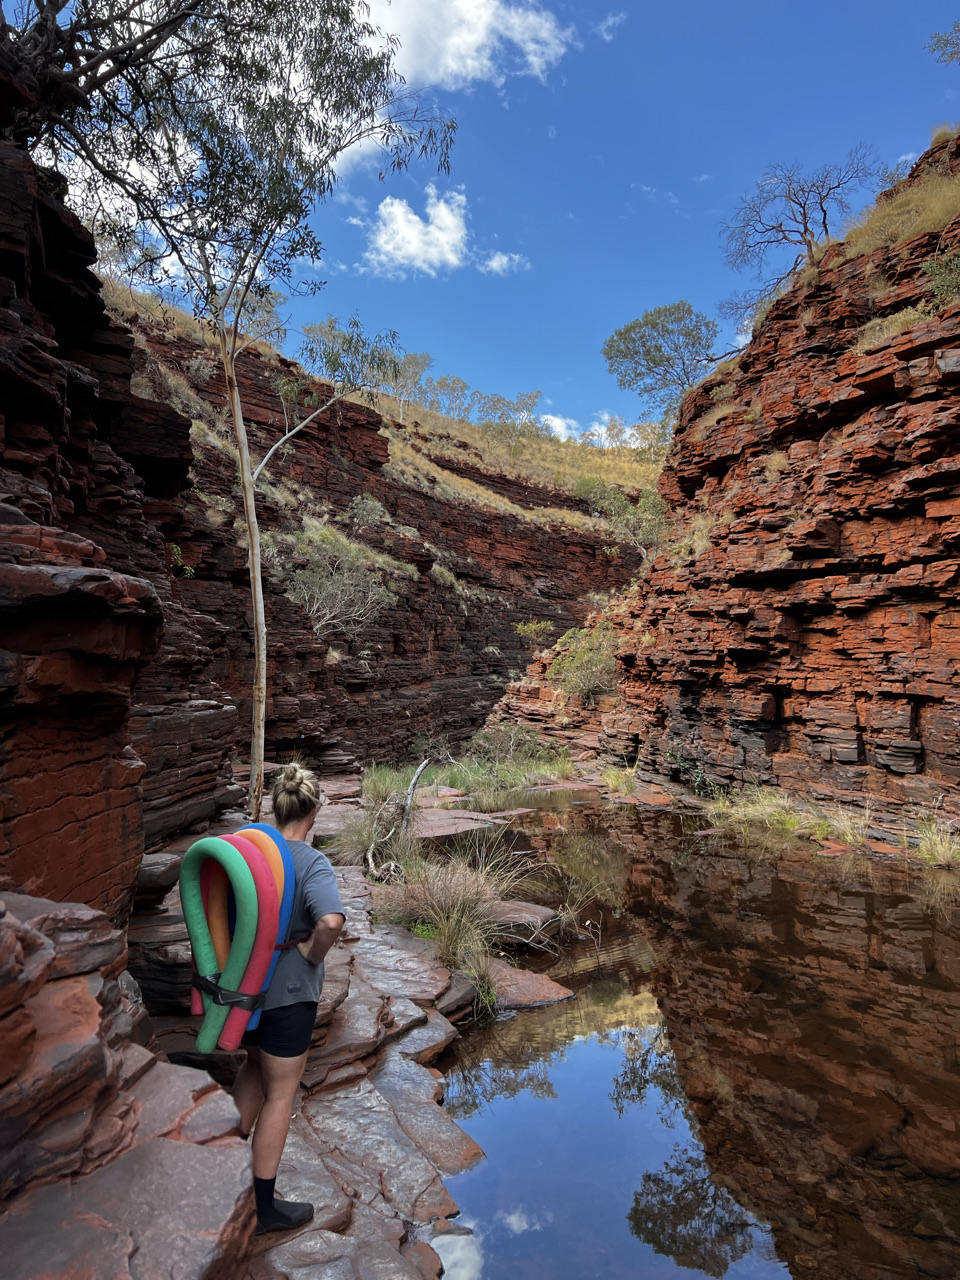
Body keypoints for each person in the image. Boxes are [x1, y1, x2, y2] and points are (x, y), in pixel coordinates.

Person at [232, 762, 345, 1234]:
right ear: (313, 811)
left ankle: (221, 1175)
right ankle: (263, 1209)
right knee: (281, 1094)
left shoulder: (249, 848)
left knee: (253, 1070)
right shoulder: (311, 862)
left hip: (244, 992)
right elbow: (331, 922)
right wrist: (312, 953)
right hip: (289, 995)